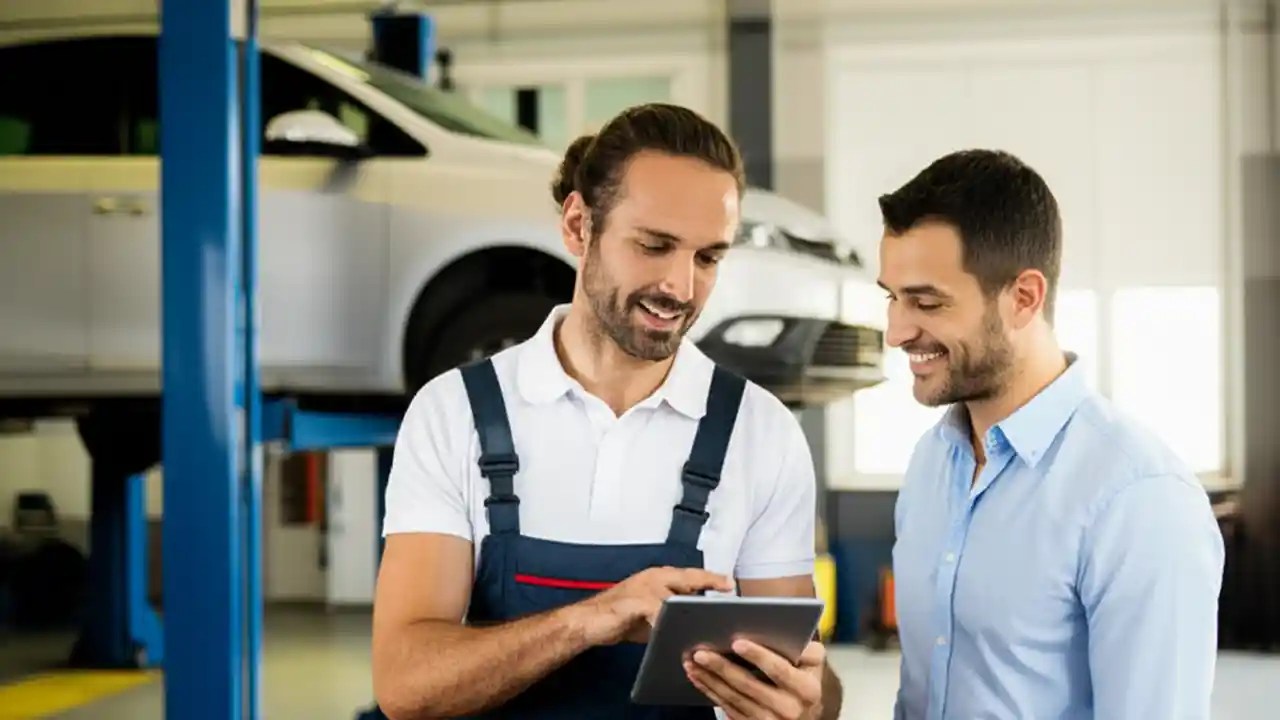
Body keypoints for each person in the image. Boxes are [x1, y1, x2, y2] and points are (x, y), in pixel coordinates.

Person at [371, 103, 844, 720]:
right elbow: (407, 685)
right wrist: (595, 618)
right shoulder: (453, 413)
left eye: (708, 258)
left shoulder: (760, 432)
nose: (679, 286)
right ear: (577, 226)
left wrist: (809, 702)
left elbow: (813, 687)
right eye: (654, 245)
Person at [877, 149, 1225, 719]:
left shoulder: (1137, 497)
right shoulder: (931, 462)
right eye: (891, 297)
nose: (896, 331)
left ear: (1023, 298)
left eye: (926, 301)